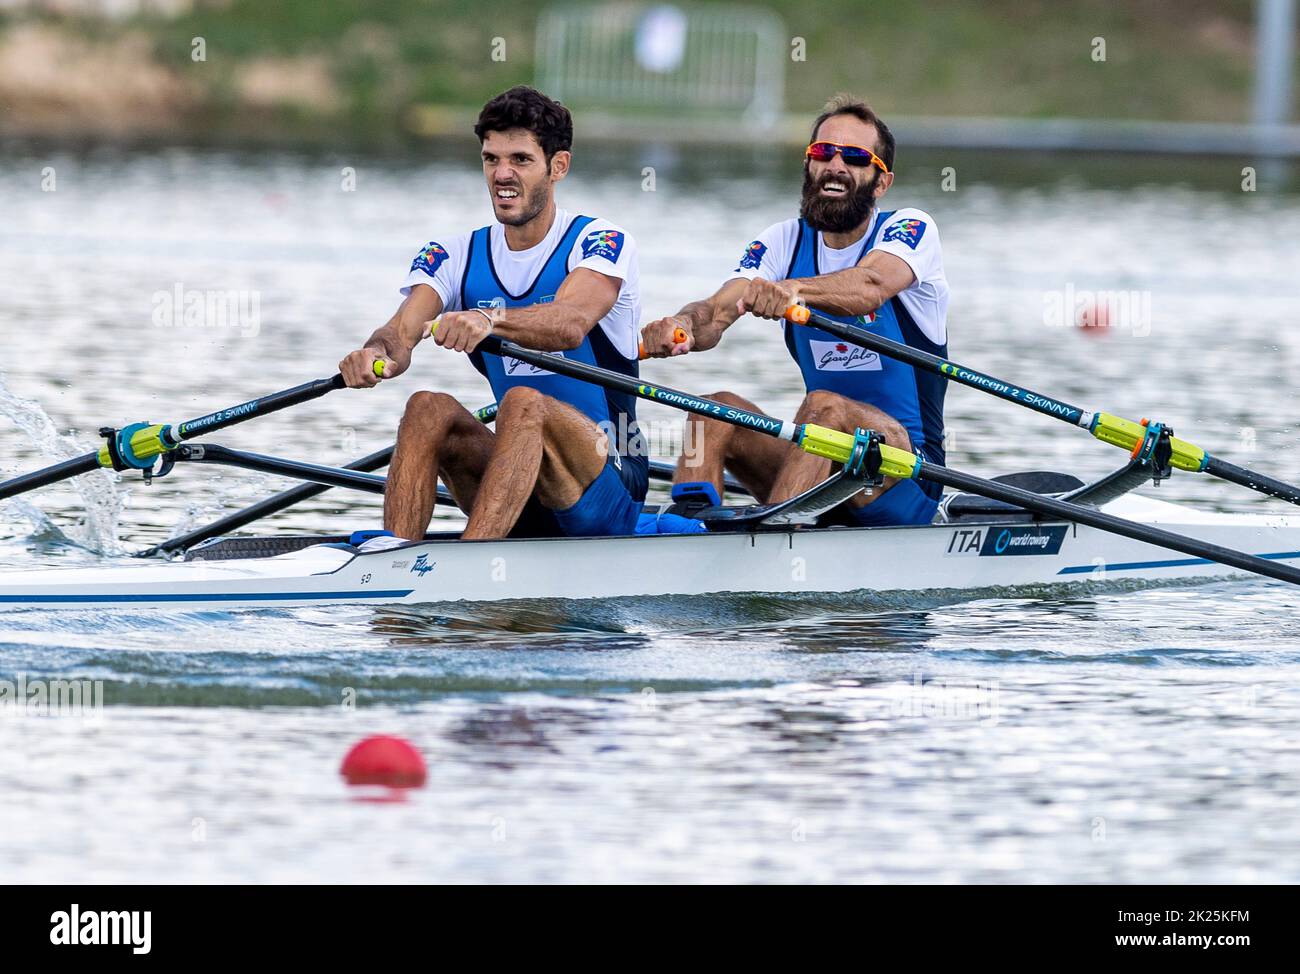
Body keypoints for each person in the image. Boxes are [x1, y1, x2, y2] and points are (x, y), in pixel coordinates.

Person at [339, 86, 646, 540]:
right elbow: (400, 336)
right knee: (427, 408)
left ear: (557, 166)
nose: (502, 174)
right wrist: (373, 352)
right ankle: (394, 562)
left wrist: (489, 320)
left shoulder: (600, 242)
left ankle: (477, 560)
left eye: (520, 159)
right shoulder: (453, 254)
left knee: (523, 403)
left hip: (608, 483)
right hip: (518, 483)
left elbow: (570, 323)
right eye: (491, 159)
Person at [640, 95, 950, 526]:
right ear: (809, 166)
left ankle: (778, 540)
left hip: (904, 471)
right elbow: (718, 309)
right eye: (823, 153)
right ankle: (689, 531)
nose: (836, 166)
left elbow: (870, 287)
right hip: (819, 461)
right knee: (711, 410)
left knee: (825, 407)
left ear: (881, 183)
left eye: (856, 158)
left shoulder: (909, 229)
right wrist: (684, 325)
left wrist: (791, 291)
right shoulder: (783, 241)